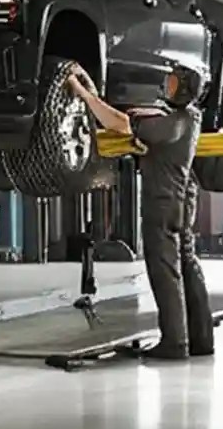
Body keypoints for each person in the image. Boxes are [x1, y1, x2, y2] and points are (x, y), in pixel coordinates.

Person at [67, 65, 214, 360]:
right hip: (181, 203)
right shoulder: (190, 118)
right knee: (187, 266)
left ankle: (175, 343)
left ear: (184, 89)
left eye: (173, 83)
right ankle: (201, 339)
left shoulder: (172, 125)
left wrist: (82, 92)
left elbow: (119, 123)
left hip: (162, 205)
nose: (167, 86)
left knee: (165, 273)